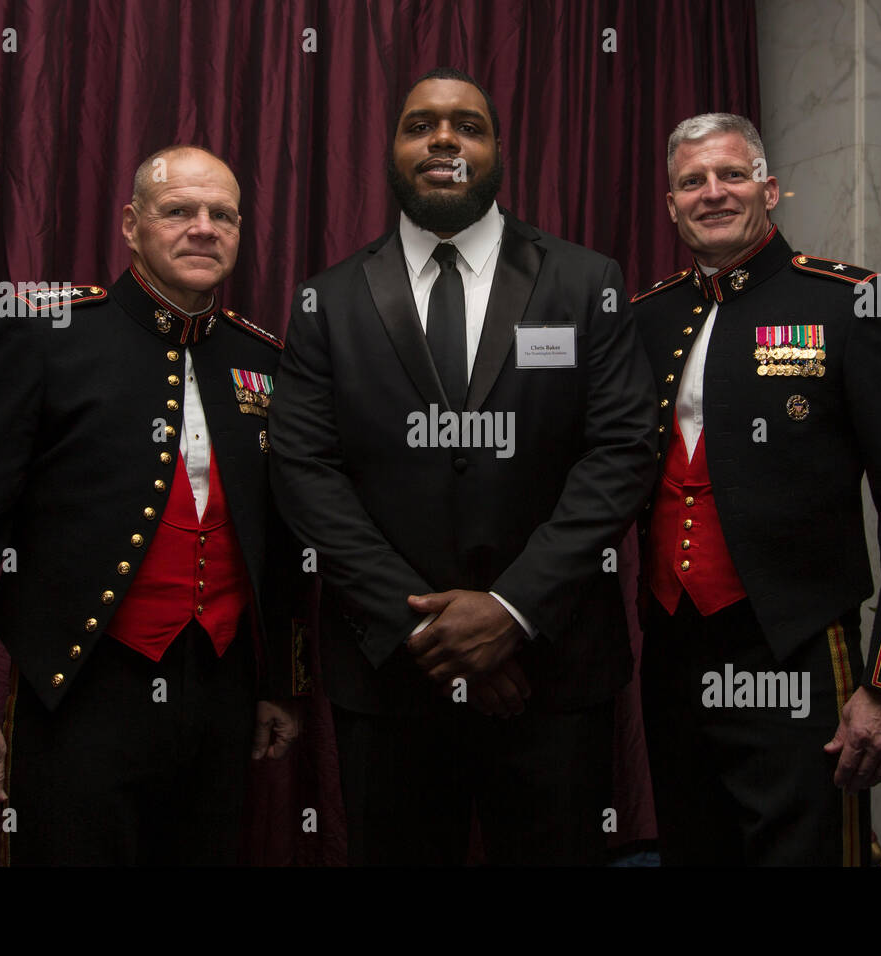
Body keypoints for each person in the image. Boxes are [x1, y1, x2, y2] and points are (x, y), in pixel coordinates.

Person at [269, 67, 657, 865]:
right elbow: (305, 471)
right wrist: (428, 630)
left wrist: (508, 612)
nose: (444, 139)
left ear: (498, 151)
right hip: (389, 678)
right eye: (420, 125)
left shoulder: (588, 285)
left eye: (467, 126)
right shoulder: (326, 303)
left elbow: (621, 452)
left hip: (552, 675)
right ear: (392, 151)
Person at [0, 145, 310, 865]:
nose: (204, 228)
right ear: (131, 225)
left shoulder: (263, 359)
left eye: (223, 215)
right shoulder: (43, 335)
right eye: (179, 211)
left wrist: (283, 686)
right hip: (77, 695)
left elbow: (282, 539)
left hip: (221, 697)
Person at [631, 113, 881, 866]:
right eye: (691, 182)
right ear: (671, 204)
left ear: (769, 189)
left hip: (796, 653)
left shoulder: (850, 304)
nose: (712, 193)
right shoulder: (645, 320)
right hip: (672, 652)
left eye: (732, 174)